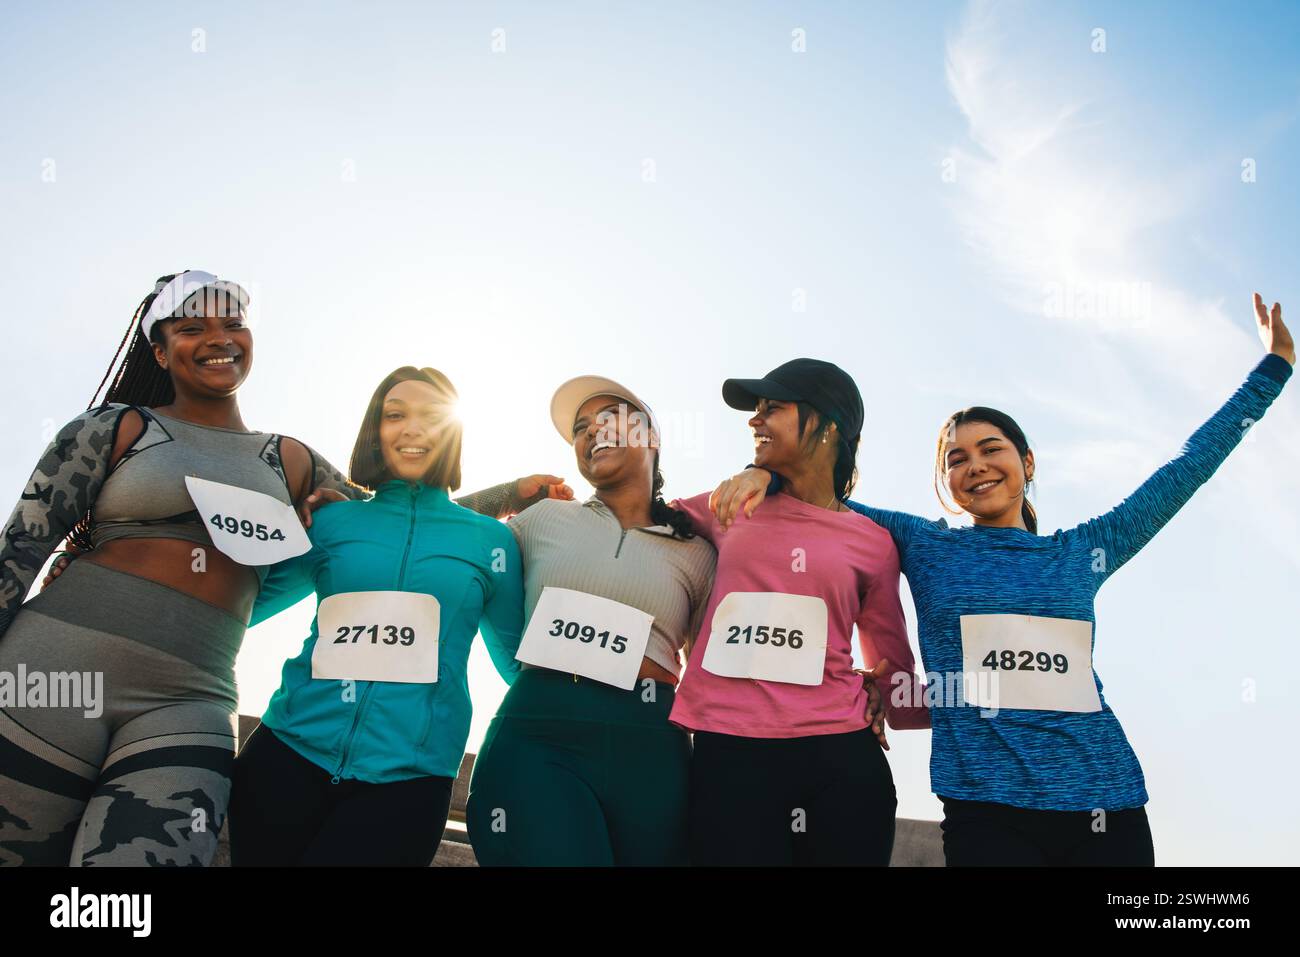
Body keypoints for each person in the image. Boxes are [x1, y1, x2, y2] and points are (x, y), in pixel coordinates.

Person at [711, 295, 1294, 866]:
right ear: (947, 481)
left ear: (1027, 462)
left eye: (991, 449)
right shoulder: (925, 544)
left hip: (1105, 803)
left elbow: (1185, 471)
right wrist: (760, 469)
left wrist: (1272, 370)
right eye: (956, 459)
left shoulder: (1083, 552)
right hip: (985, 811)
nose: (976, 466)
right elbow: (821, 492)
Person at [0, 271, 365, 866]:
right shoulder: (115, 428)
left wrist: (510, 494)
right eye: (193, 327)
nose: (218, 338)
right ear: (160, 350)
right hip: (48, 675)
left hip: (190, 698)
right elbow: (18, 551)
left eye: (233, 324)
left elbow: (400, 522)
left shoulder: (291, 460)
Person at [228, 366, 528, 866]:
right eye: (395, 415)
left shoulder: (491, 541)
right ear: (376, 430)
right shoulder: (330, 520)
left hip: (410, 782)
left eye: (431, 416)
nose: (412, 428)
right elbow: (238, 607)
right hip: (285, 757)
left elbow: (519, 664)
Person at [668, 359, 928, 866]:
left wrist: (884, 694)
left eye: (772, 408)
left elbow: (891, 660)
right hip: (729, 755)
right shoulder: (730, 504)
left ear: (829, 425)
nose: (754, 420)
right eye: (756, 409)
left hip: (840, 761)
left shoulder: (873, 541)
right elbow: (645, 521)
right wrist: (753, 472)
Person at [466, 376, 716, 866]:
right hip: (539, 733)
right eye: (581, 428)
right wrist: (508, 494)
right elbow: (445, 530)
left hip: (652, 746)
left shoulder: (698, 551)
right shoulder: (540, 521)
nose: (591, 432)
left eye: (610, 419)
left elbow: (714, 672)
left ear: (651, 436)